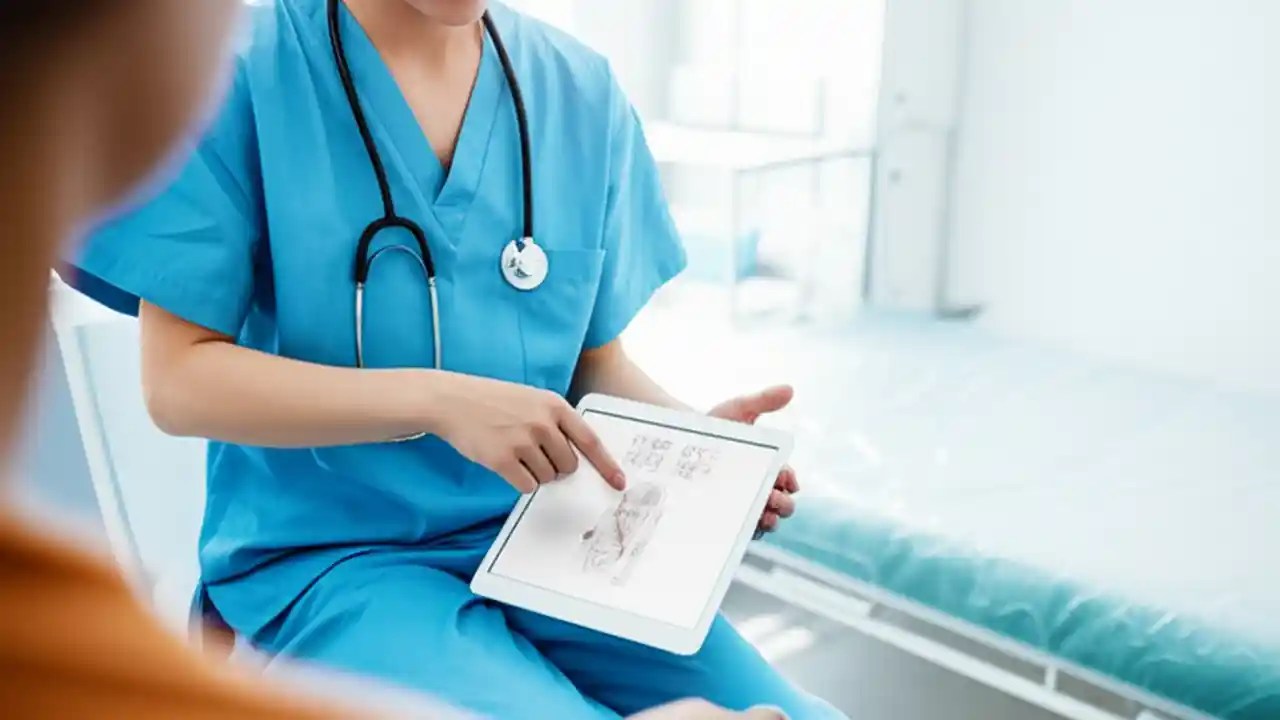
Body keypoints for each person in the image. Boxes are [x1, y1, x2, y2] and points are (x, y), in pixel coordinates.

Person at [62, 1, 837, 718]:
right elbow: (179, 381)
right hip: (334, 561)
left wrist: (700, 450)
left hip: (555, 547)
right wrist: (439, 400)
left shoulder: (577, 92)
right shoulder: (239, 69)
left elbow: (592, 365)